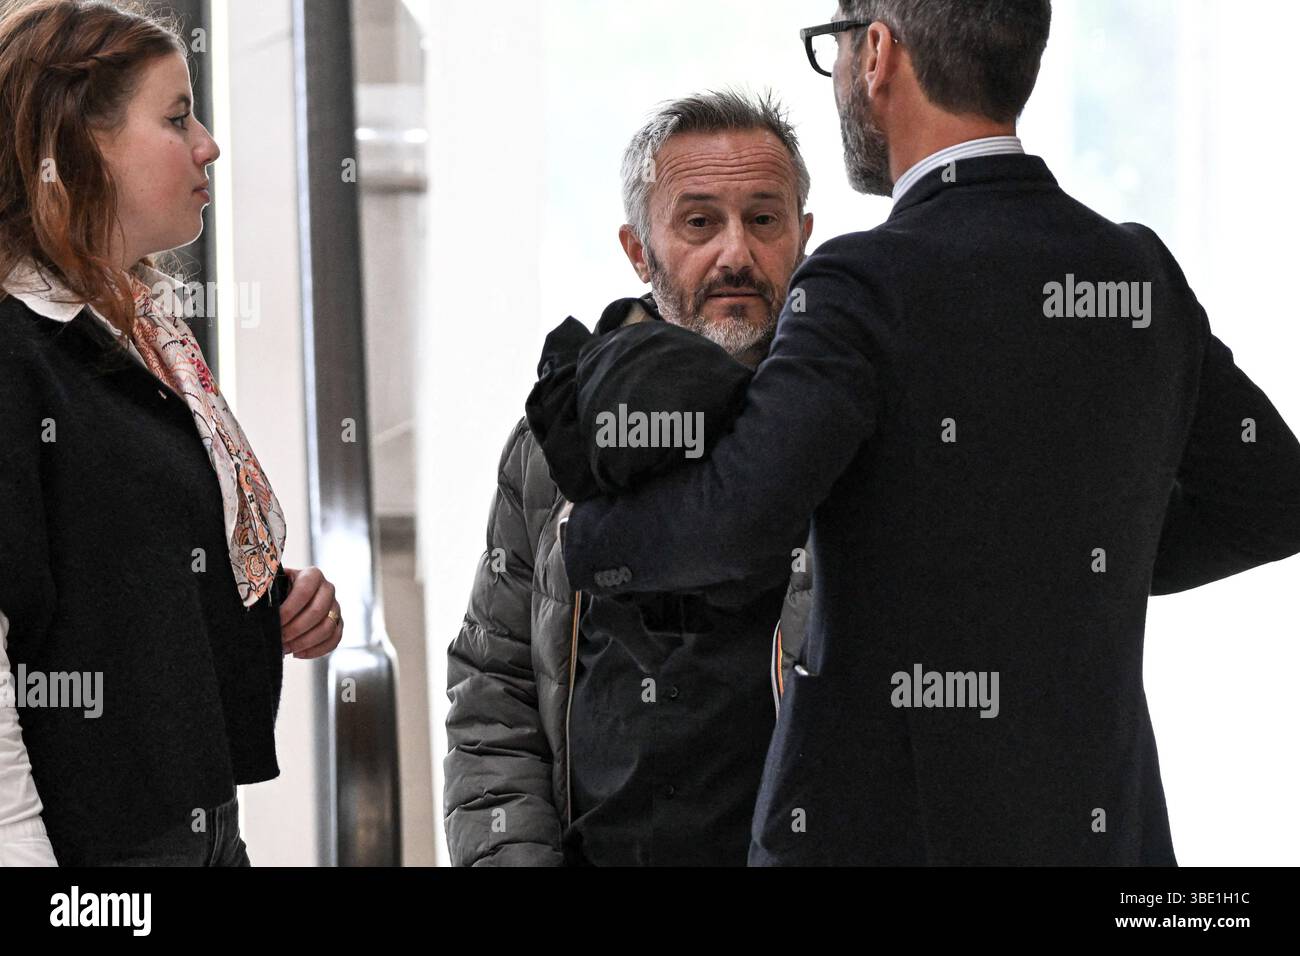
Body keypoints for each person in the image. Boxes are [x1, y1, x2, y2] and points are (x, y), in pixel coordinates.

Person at [561, 0, 1300, 865]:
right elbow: (1276, 498)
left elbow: (740, 519)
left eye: (834, 44)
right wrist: (1083, 557)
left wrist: (586, 542)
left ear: (877, 53)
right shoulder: (1137, 271)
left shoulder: (862, 284)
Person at [0, 0, 343, 866]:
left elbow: (123, 557)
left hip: (200, 821)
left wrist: (274, 599)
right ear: (82, 143)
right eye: (177, 115)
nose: (208, 144)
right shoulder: (15, 347)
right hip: (87, 850)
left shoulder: (144, 329)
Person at [444, 90, 816, 866]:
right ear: (638, 250)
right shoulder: (553, 446)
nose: (736, 254)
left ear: (804, 238)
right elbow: (495, 691)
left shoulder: (841, 431)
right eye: (699, 222)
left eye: (764, 219)